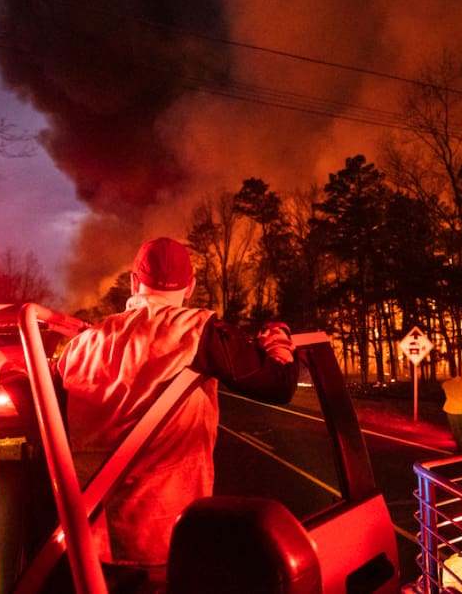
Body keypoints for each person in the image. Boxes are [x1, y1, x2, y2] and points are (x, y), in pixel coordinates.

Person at [55, 237, 298, 572]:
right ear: (191, 286)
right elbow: (280, 384)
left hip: (85, 549)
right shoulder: (200, 332)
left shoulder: (81, 346)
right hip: (169, 546)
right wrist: (278, 337)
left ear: (133, 282)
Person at [442, 372, 462, 453]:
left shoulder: (447, 384)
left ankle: (459, 445)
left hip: (451, 409)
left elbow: (442, 385)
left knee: (455, 428)